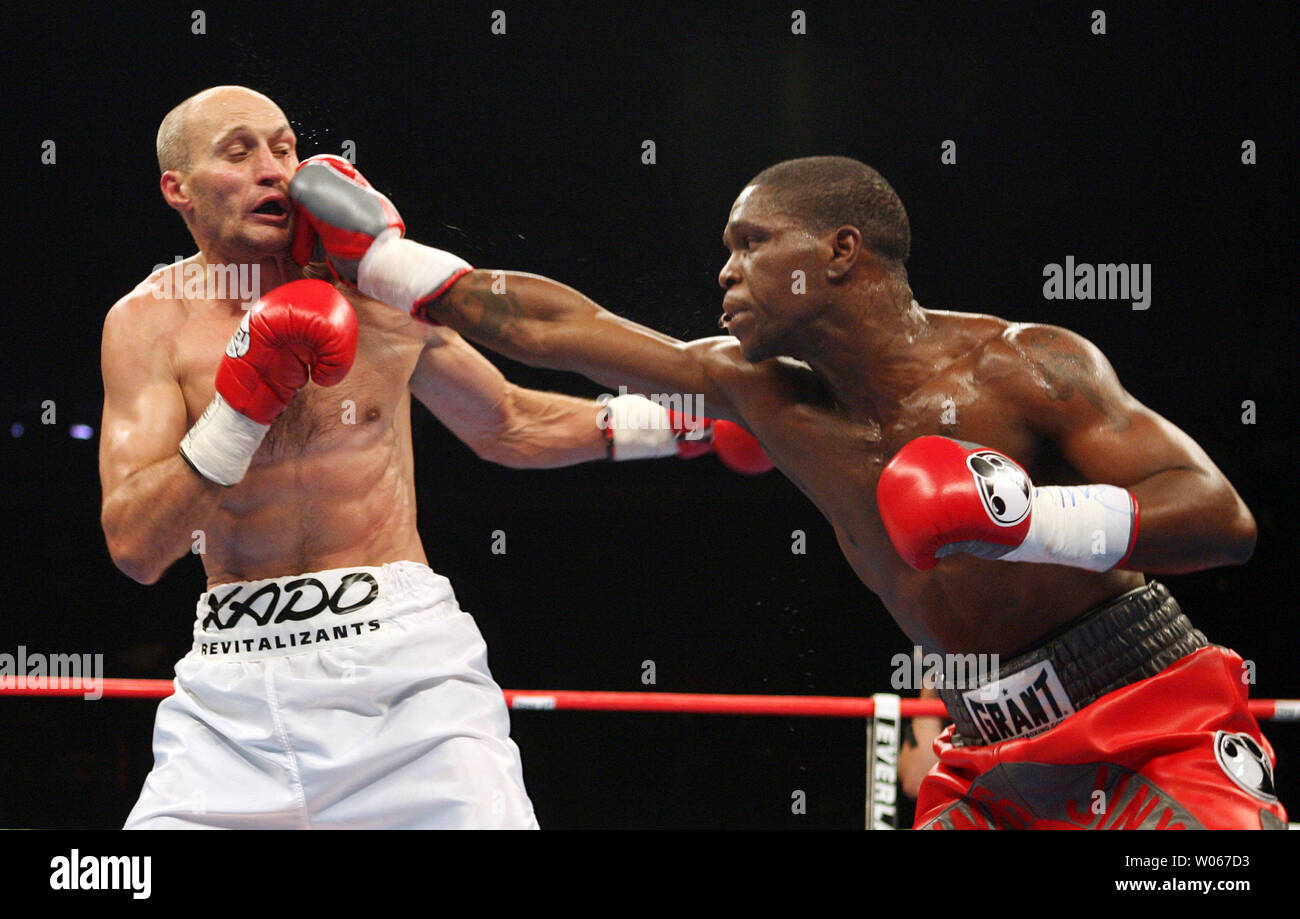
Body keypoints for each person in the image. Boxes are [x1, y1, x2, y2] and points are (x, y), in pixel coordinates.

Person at [292, 154, 1286, 829]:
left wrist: (1028, 519)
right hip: (992, 746)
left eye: (750, 244)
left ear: (839, 254)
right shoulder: (755, 390)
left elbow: (1221, 520)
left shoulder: (1025, 365)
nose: (724, 273)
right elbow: (557, 328)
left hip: (1149, 710)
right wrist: (379, 256)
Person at [99, 86, 766, 829]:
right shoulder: (145, 324)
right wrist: (242, 407)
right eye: (239, 151)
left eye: (284, 147)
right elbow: (137, 545)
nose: (273, 169)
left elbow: (508, 421)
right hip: (230, 700)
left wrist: (690, 423)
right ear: (177, 188)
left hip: (406, 679)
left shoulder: (375, 290)